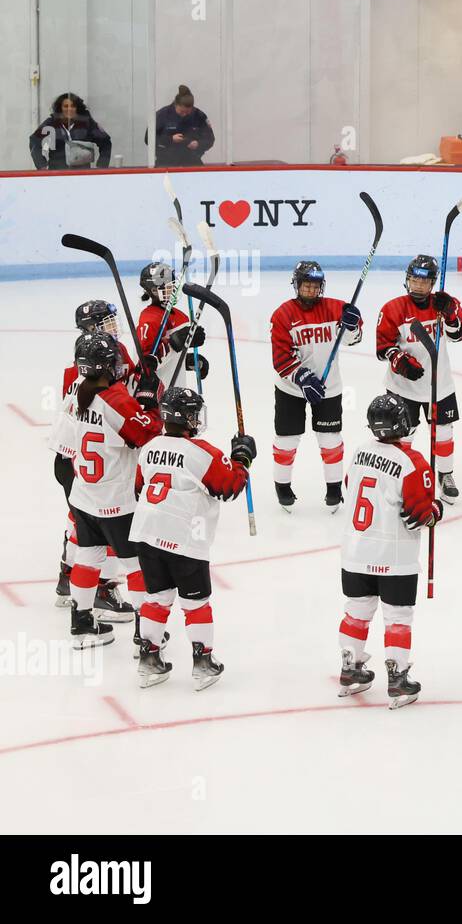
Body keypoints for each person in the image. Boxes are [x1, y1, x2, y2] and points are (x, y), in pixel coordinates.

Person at [131, 388, 255, 690]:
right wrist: (242, 457)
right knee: (196, 602)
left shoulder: (148, 448)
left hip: (147, 534)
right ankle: (203, 663)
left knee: (157, 598)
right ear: (188, 417)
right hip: (185, 539)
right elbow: (229, 487)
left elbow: (138, 488)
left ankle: (148, 660)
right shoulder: (202, 452)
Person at [54, 333, 163, 649]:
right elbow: (147, 433)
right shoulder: (114, 400)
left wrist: (142, 388)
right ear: (104, 367)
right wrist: (149, 395)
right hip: (116, 501)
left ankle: (82, 623)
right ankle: (146, 634)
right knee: (137, 565)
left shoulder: (78, 391)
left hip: (84, 495)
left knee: (88, 558)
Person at [336, 394, 443, 709]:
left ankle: (350, 668)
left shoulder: (358, 453)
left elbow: (348, 487)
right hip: (395, 558)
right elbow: (421, 514)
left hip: (355, 553)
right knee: (397, 617)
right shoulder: (413, 462)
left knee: (356, 611)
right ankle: (397, 680)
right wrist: (436, 509)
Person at [269, 260, 363, 511]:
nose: (310, 291)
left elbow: (353, 340)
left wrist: (352, 325)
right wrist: (302, 378)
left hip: (329, 386)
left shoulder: (336, 308)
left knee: (330, 438)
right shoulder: (282, 315)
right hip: (291, 388)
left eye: (315, 286)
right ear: (296, 285)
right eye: (305, 286)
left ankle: (334, 490)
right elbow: (280, 358)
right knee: (286, 439)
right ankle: (283, 487)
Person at [374, 255, 462, 502]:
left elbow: (458, 335)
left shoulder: (444, 304)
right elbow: (383, 347)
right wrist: (399, 360)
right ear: (407, 280)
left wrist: (450, 314)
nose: (418, 286)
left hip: (440, 384)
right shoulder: (393, 308)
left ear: (432, 283)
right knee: (401, 434)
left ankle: (445, 475)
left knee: (444, 432)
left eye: (424, 282)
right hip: (403, 387)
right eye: (414, 280)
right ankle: (398, 476)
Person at [136, 262, 207, 390]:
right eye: (169, 287)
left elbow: (171, 359)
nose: (173, 290)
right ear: (154, 291)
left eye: (174, 286)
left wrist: (188, 361)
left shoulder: (181, 316)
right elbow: (145, 366)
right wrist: (174, 343)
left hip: (176, 393)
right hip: (157, 396)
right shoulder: (149, 319)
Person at [29, 93, 112, 170]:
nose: (69, 109)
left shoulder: (87, 123)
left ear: (77, 108)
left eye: (73, 106)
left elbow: (105, 142)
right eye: (66, 106)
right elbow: (34, 141)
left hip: (82, 174)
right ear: (60, 108)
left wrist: (102, 165)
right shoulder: (51, 123)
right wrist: (42, 165)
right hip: (57, 173)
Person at [153, 85, 215, 168]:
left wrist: (198, 144)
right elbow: (148, 139)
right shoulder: (162, 115)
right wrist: (170, 139)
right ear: (175, 104)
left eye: (188, 112)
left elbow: (210, 139)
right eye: (181, 111)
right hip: (166, 162)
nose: (184, 114)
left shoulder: (199, 116)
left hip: (191, 161)